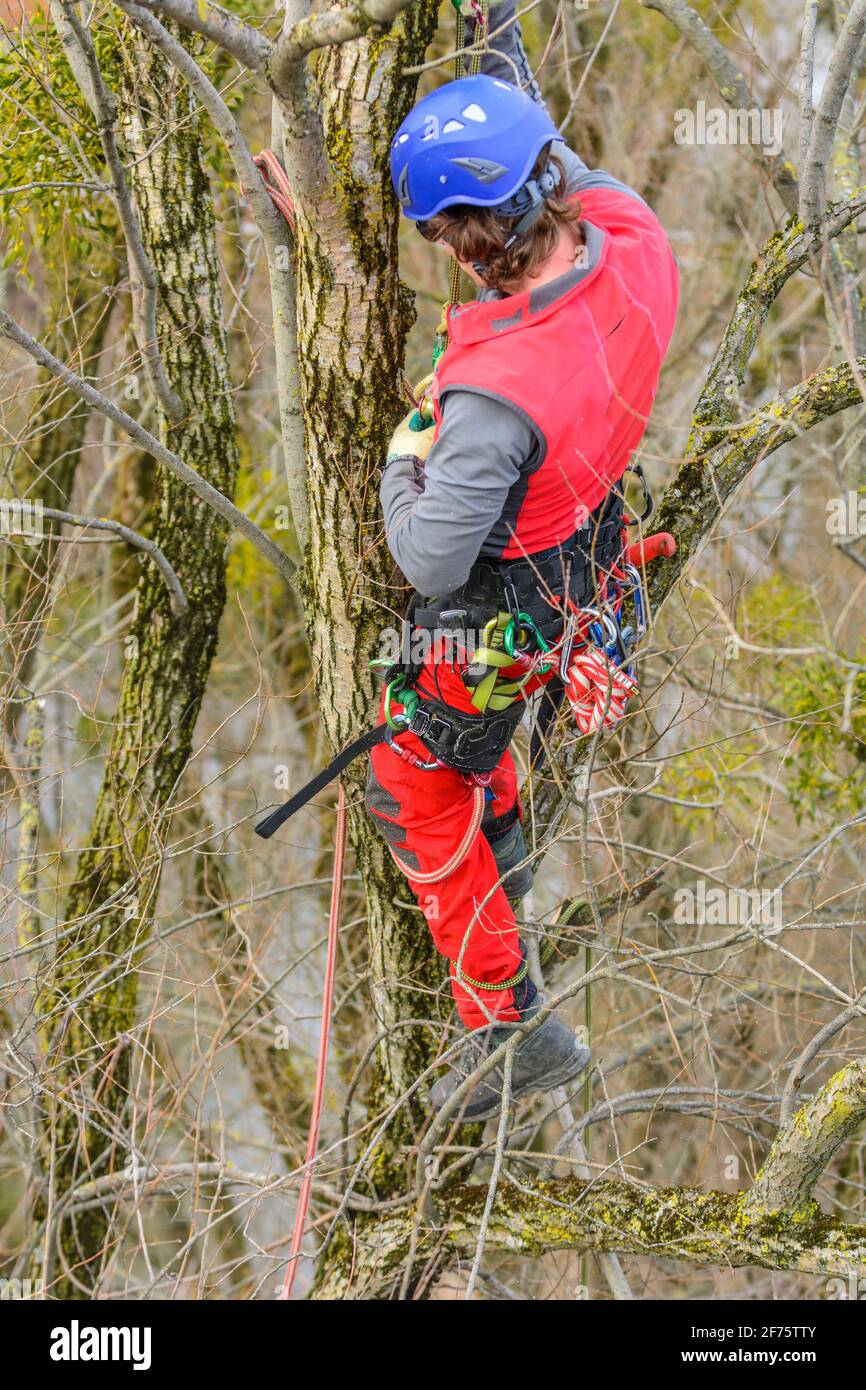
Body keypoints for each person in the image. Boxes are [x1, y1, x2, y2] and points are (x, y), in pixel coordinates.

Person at [364, 4, 679, 1119]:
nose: (444, 254)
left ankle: (509, 1027)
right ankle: (502, 828)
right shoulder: (626, 229)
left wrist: (404, 457)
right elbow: (542, 142)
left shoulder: (494, 397)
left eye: (445, 232)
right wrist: (495, 38)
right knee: (476, 757)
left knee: (408, 776)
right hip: (587, 548)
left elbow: (433, 558)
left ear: (476, 231)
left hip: (504, 609)